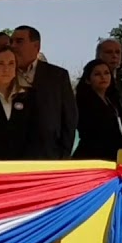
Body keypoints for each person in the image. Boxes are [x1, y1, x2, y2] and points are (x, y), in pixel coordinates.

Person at [11, 25, 77, 159]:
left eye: (19, 41)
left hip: (48, 156)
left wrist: (63, 156)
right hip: (10, 157)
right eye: (11, 42)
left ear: (36, 46)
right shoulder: (4, 74)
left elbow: (69, 117)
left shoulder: (57, 76)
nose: (13, 46)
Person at [73, 59, 122, 161]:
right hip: (91, 155)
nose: (103, 77)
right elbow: (98, 134)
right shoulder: (83, 103)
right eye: (97, 74)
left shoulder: (112, 101)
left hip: (111, 153)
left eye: (106, 73)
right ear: (88, 80)